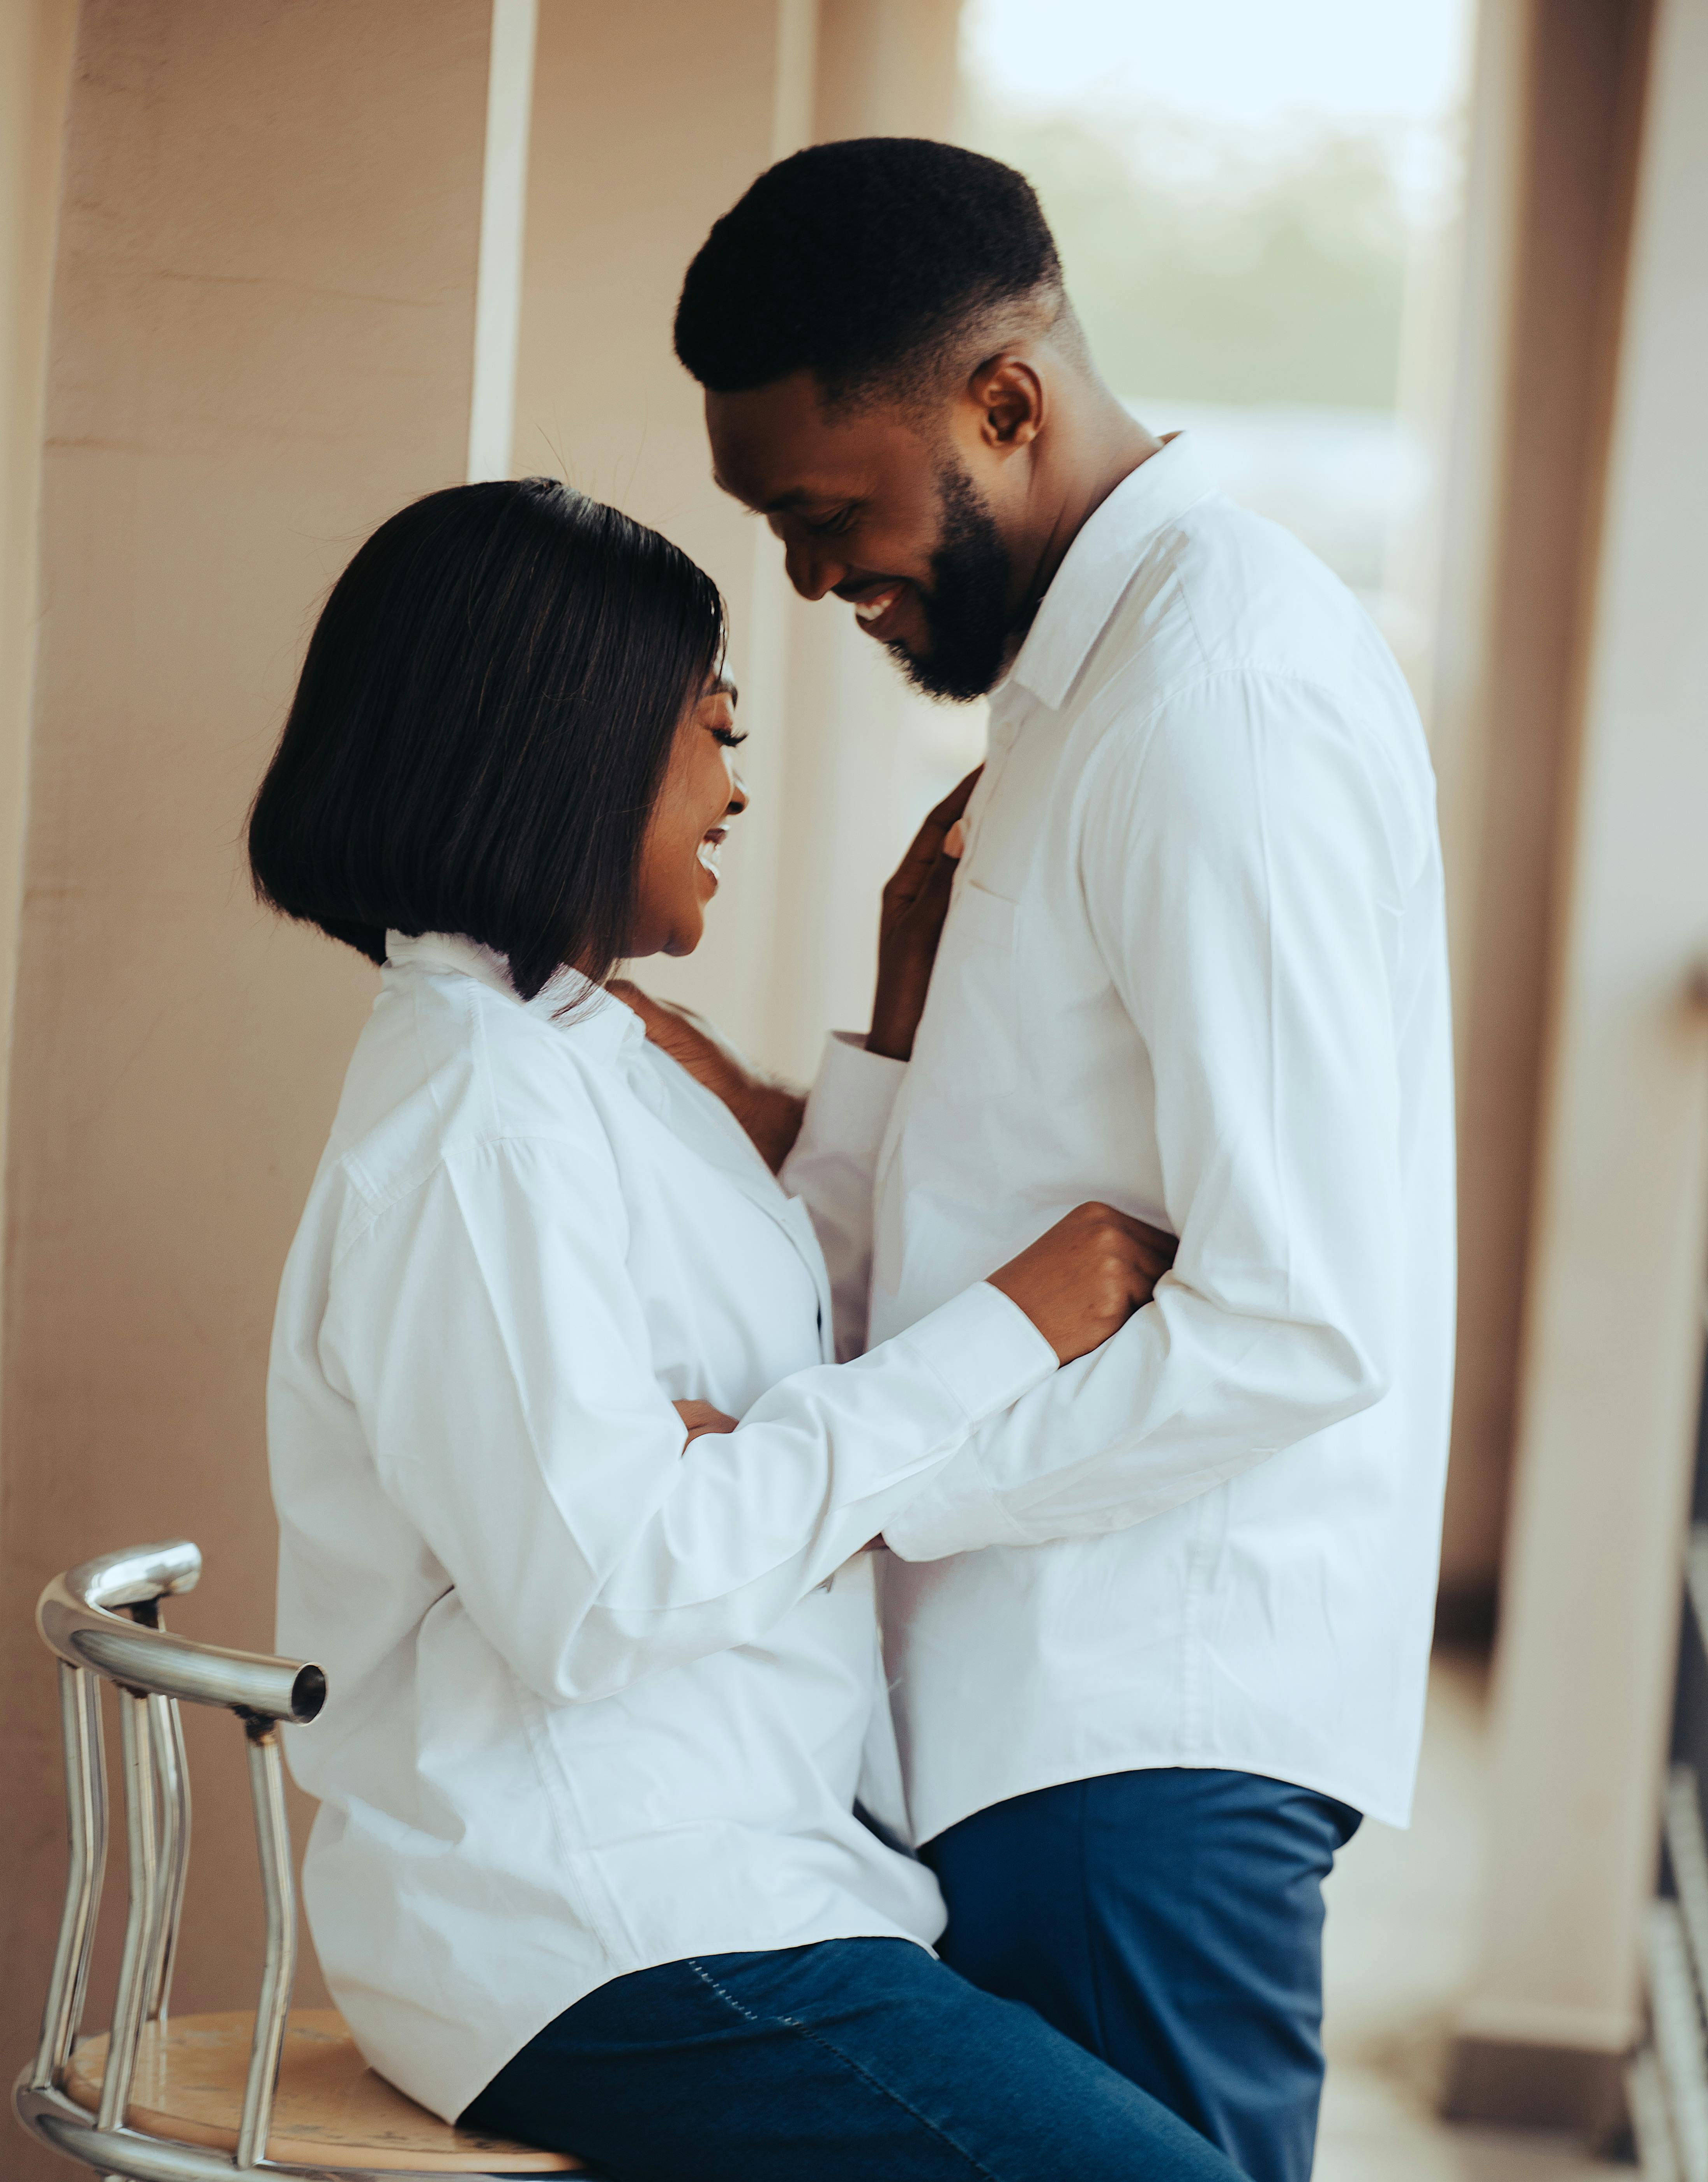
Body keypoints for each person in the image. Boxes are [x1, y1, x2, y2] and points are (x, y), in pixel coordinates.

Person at [249, 476, 1242, 2182]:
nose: (736, 783)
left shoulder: (578, 1043)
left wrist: (887, 1033)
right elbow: (614, 1582)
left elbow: (776, 1317)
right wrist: (1013, 1324)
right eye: (707, 729)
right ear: (566, 748)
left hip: (733, 1867)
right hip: (593, 1920)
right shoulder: (478, 1114)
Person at [669, 137, 1457, 2182]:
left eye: (824, 515)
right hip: (1034, 1716)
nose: (813, 583)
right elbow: (1006, 1190)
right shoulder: (1084, 696)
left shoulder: (1221, 702)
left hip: (1142, 1743)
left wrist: (845, 1481)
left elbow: (1298, 1320)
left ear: (1003, 402)